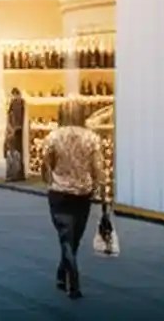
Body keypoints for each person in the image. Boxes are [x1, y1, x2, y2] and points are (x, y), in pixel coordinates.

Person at [42, 99, 105, 299]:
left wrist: (49, 181)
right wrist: (100, 189)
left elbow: (46, 165)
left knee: (65, 237)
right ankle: (71, 280)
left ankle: (65, 275)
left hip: (59, 193)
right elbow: (98, 169)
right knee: (74, 237)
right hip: (83, 194)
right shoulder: (92, 138)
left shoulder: (53, 137)